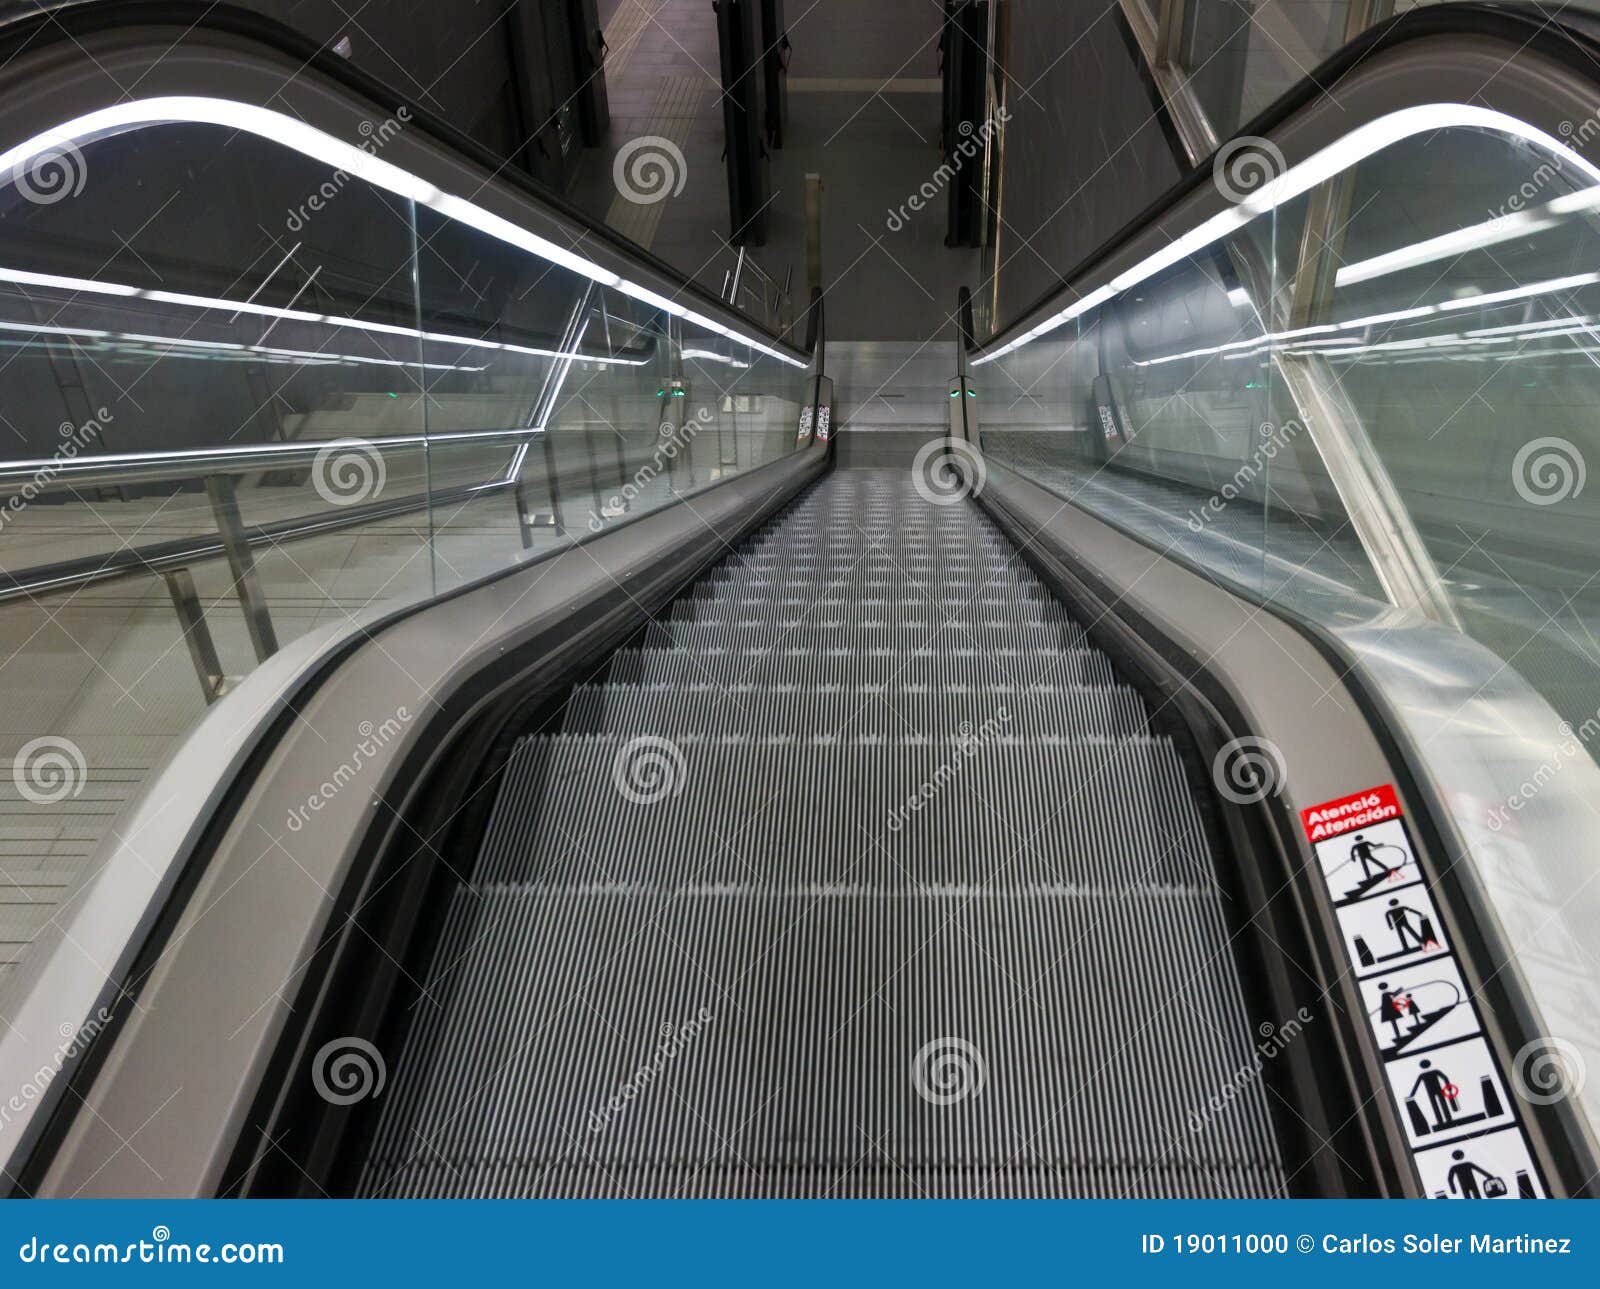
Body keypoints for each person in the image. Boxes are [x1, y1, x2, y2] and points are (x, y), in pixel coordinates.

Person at [1408, 1059, 1458, 1129]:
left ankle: (1443, 1121)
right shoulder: (1433, 1072)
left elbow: (1416, 1085)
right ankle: (1445, 1120)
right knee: (1440, 1105)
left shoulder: (1424, 1074)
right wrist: (1448, 1086)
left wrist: (1412, 1095)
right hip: (1436, 1090)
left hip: (1432, 1091)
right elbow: (1445, 1078)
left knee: (1437, 1106)